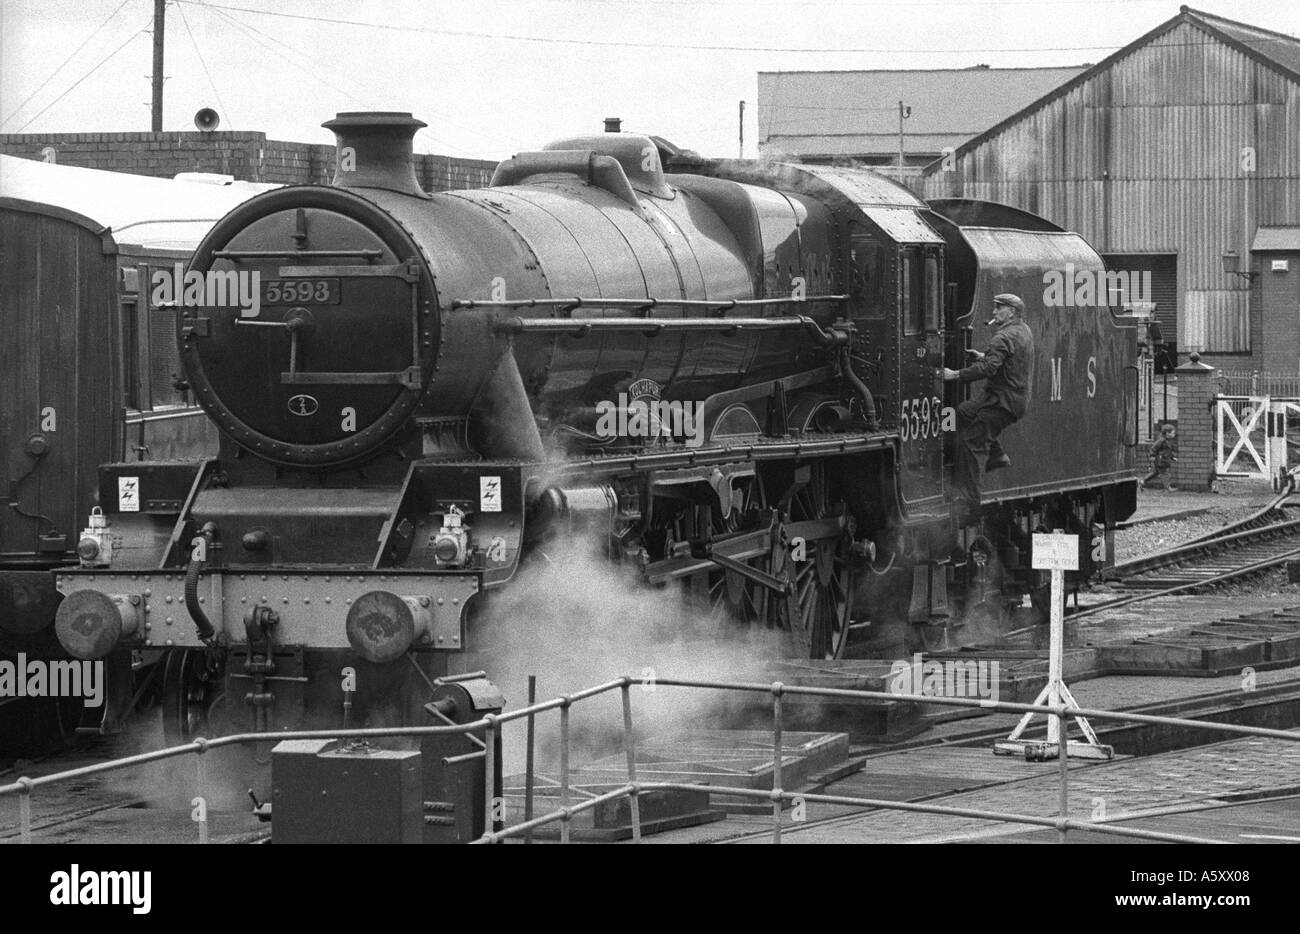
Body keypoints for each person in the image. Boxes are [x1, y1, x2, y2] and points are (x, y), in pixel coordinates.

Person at [941, 293, 1034, 505]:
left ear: (1011, 311)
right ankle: (997, 455)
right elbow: (1007, 358)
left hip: (1000, 402)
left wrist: (954, 374)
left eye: (998, 308)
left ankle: (969, 500)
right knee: (961, 413)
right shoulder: (1023, 331)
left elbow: (989, 368)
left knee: (971, 443)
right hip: (1010, 399)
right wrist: (984, 355)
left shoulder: (1002, 337)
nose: (993, 312)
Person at [1144, 423, 1178, 490]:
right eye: (1173, 433)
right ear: (1167, 433)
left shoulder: (1168, 441)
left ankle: (1142, 482)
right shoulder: (1161, 440)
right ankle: (1168, 487)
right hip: (1161, 460)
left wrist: (1172, 457)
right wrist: (1152, 456)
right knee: (1165, 474)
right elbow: (1153, 448)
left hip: (1164, 459)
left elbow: (1168, 452)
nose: (1174, 434)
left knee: (1155, 473)